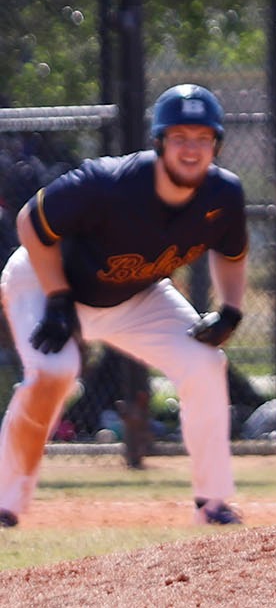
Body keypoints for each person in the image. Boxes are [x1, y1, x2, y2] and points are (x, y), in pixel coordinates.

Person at [0, 84, 248, 527]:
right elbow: (30, 223)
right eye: (180, 137)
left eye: (203, 138)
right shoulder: (109, 183)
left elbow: (231, 254)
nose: (191, 149)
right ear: (159, 142)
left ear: (217, 145)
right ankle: (6, 500)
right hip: (43, 282)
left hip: (135, 296)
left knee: (205, 362)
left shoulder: (223, 195)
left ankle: (212, 503)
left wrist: (230, 308)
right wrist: (57, 298)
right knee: (55, 373)